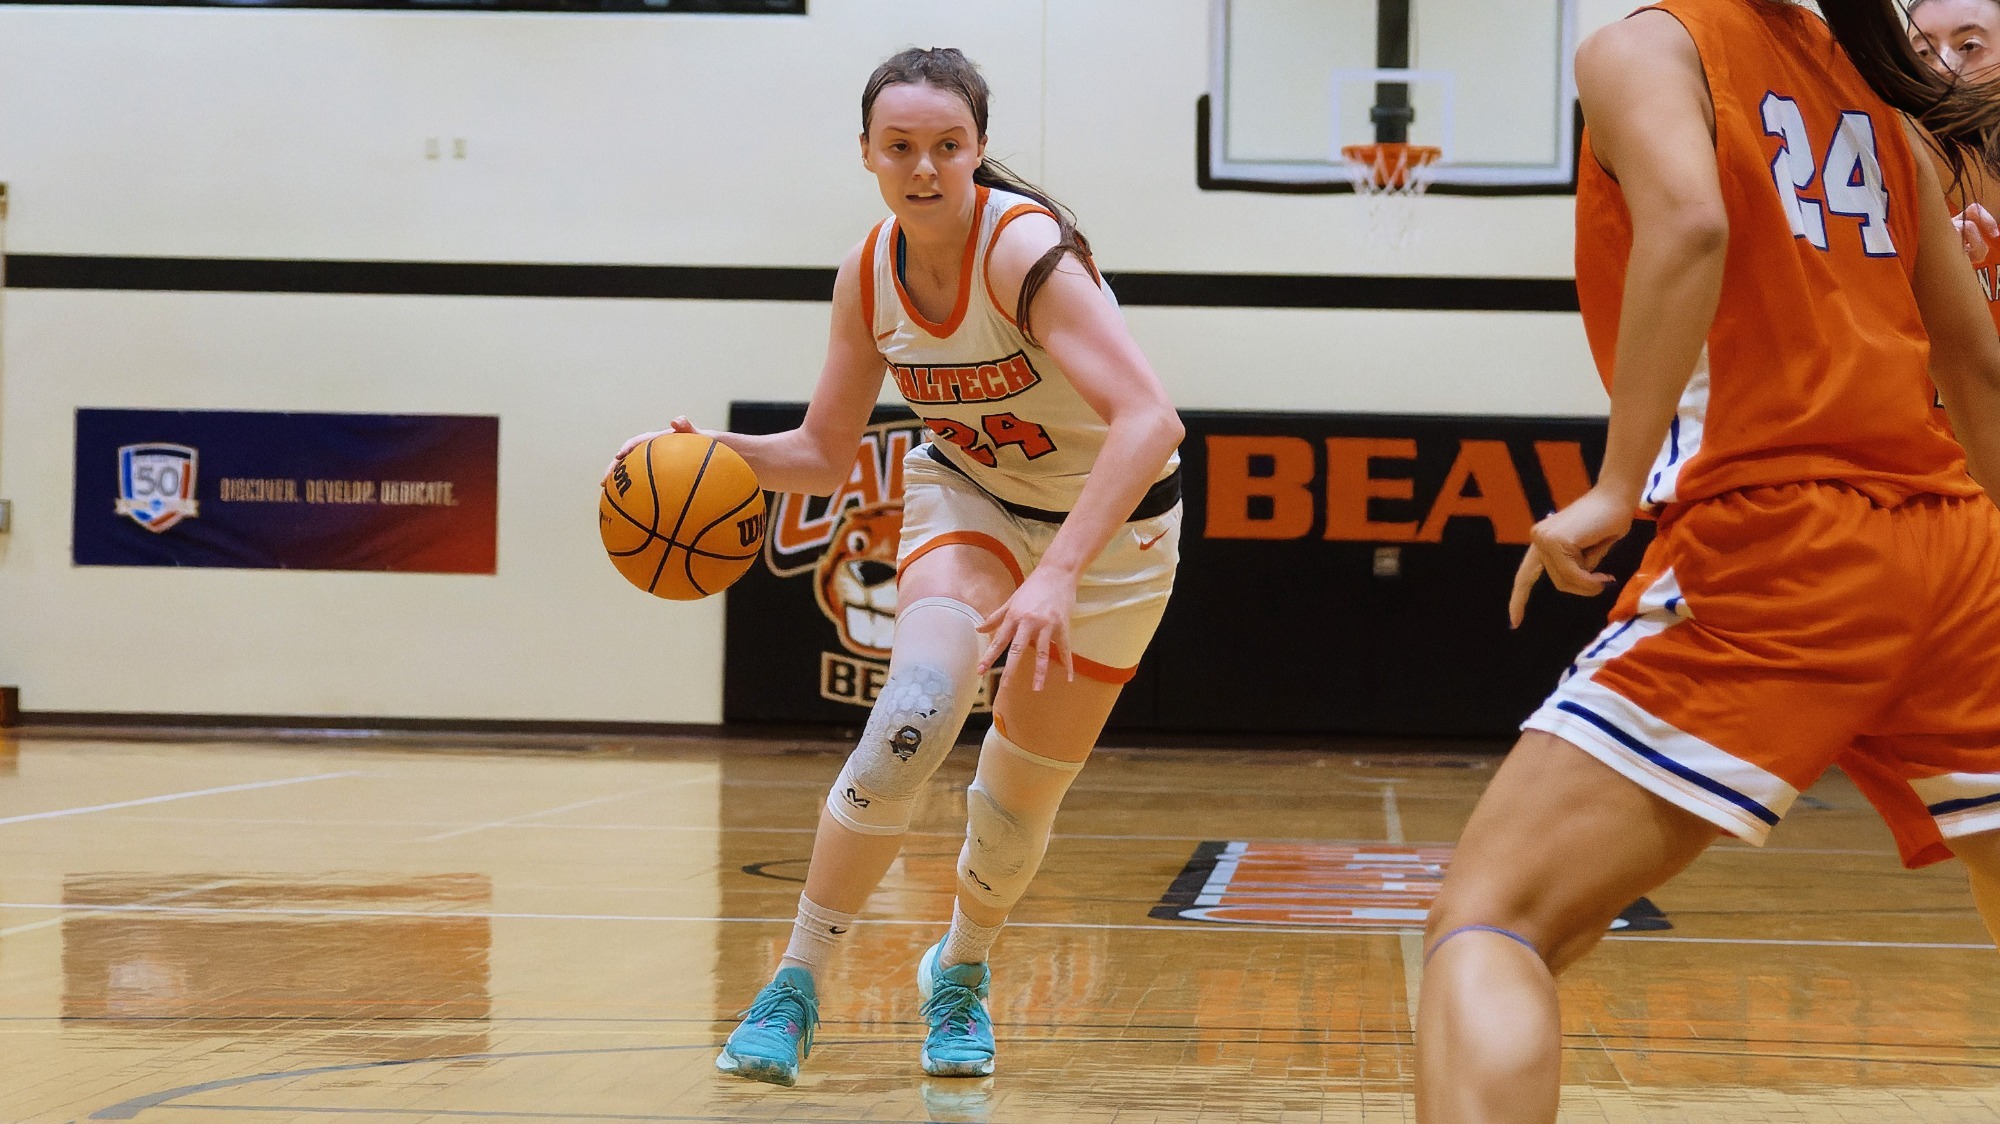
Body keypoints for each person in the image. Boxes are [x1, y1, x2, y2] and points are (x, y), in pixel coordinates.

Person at [1411, 1, 2000, 1119]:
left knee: (1492, 921)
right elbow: (1973, 363)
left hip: (1783, 545)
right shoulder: (1875, 78)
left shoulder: (1644, 45)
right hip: (1954, 543)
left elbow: (1688, 224)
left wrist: (1610, 483)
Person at [610, 47, 1184, 1086]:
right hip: (969, 501)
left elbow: (1150, 419)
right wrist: (708, 455)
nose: (924, 168)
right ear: (867, 154)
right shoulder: (866, 271)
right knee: (911, 710)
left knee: (1013, 813)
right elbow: (825, 454)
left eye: (947, 147)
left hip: (1112, 543)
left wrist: (1056, 572)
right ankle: (793, 982)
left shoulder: (1025, 252)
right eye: (900, 147)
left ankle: (957, 971)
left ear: (976, 150)